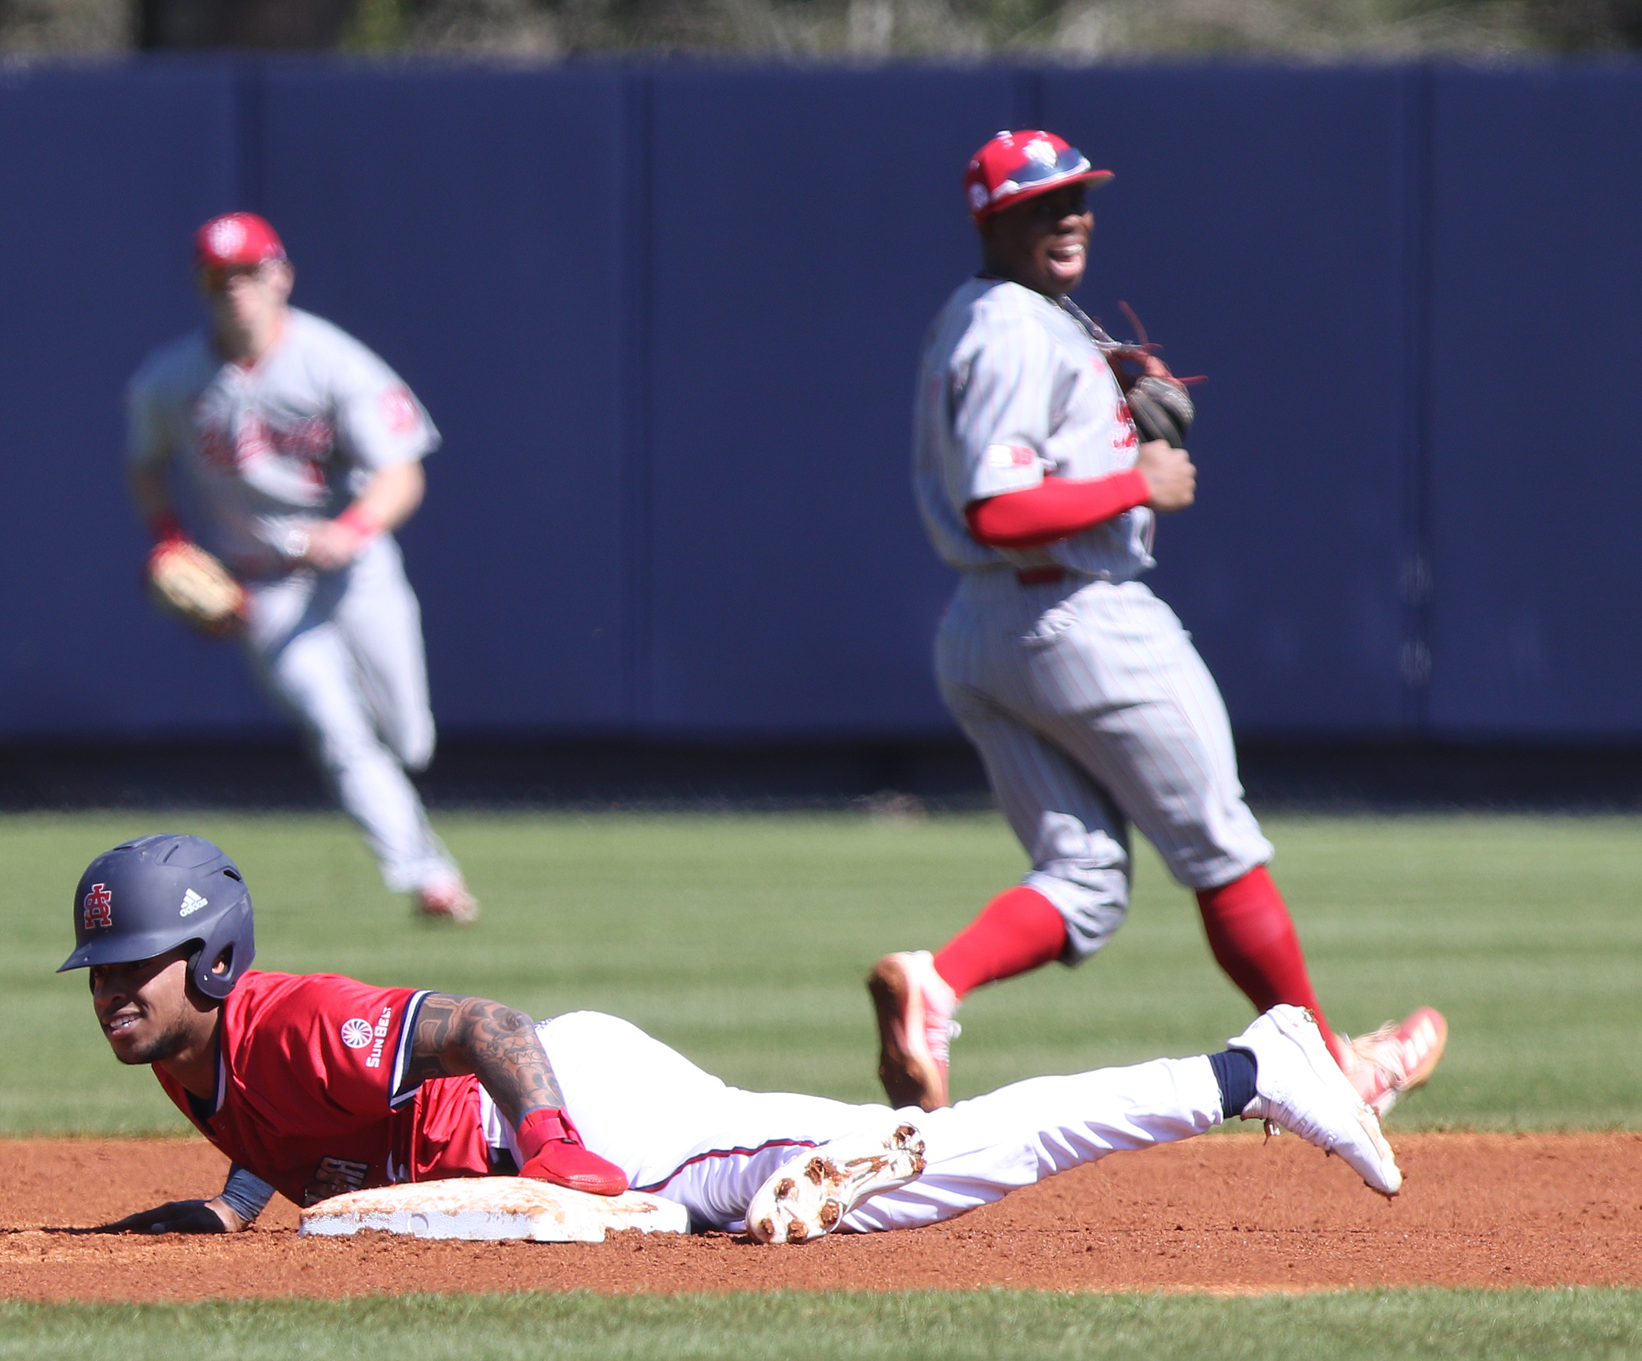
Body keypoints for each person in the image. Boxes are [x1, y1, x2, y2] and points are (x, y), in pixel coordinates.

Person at [878, 129, 1446, 1116]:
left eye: (1076, 199)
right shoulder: (1012, 329)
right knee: (1222, 850)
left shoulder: (984, 317)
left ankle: (936, 986)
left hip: (983, 631)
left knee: (1084, 879)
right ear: (991, 222)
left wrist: (1098, 432)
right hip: (1078, 616)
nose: (1067, 218)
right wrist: (1130, 480)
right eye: (1038, 206)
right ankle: (1333, 1070)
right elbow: (996, 508)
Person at [68, 834, 1401, 1245]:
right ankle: (802, 1166)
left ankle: (1251, 1068)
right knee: (838, 1176)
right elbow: (284, 1120)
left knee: (921, 1162)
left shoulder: (290, 1019)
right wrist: (233, 1204)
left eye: (134, 965)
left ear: (214, 960)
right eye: (101, 969)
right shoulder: (197, 1061)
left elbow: (485, 1024)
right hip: (561, 1131)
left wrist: (560, 1145)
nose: (111, 989)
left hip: (589, 1116)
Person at [125, 212, 477, 924]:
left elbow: (403, 472)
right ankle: (428, 878)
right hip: (262, 584)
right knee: (337, 731)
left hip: (354, 568)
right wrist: (168, 540)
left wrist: (351, 531)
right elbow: (145, 467)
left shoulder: (333, 362)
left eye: (248, 272)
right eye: (219, 276)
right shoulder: (170, 379)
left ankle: (417, 822)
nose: (235, 288)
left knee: (408, 736)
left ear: (280, 275)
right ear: (201, 285)